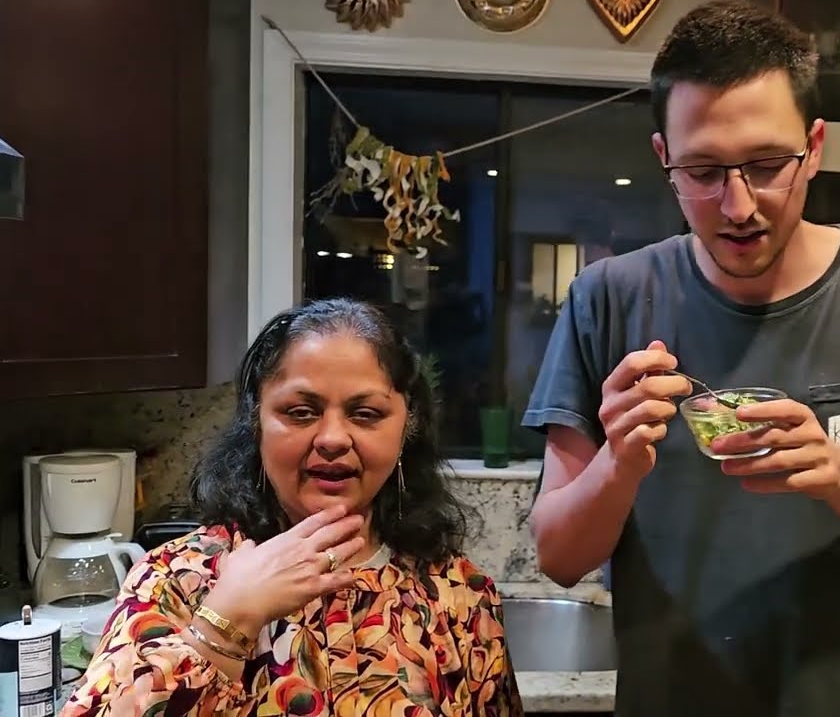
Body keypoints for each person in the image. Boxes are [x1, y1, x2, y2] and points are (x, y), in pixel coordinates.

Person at [520, 1, 840, 716]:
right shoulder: (608, 299)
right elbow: (559, 558)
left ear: (814, 146)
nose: (738, 205)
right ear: (664, 158)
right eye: (704, 171)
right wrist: (619, 461)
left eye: (766, 164)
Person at [61, 298, 523, 717]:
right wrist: (226, 621)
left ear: (407, 429)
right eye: (301, 412)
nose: (333, 439)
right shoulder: (175, 582)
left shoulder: (461, 596)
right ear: (256, 423)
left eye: (365, 414)